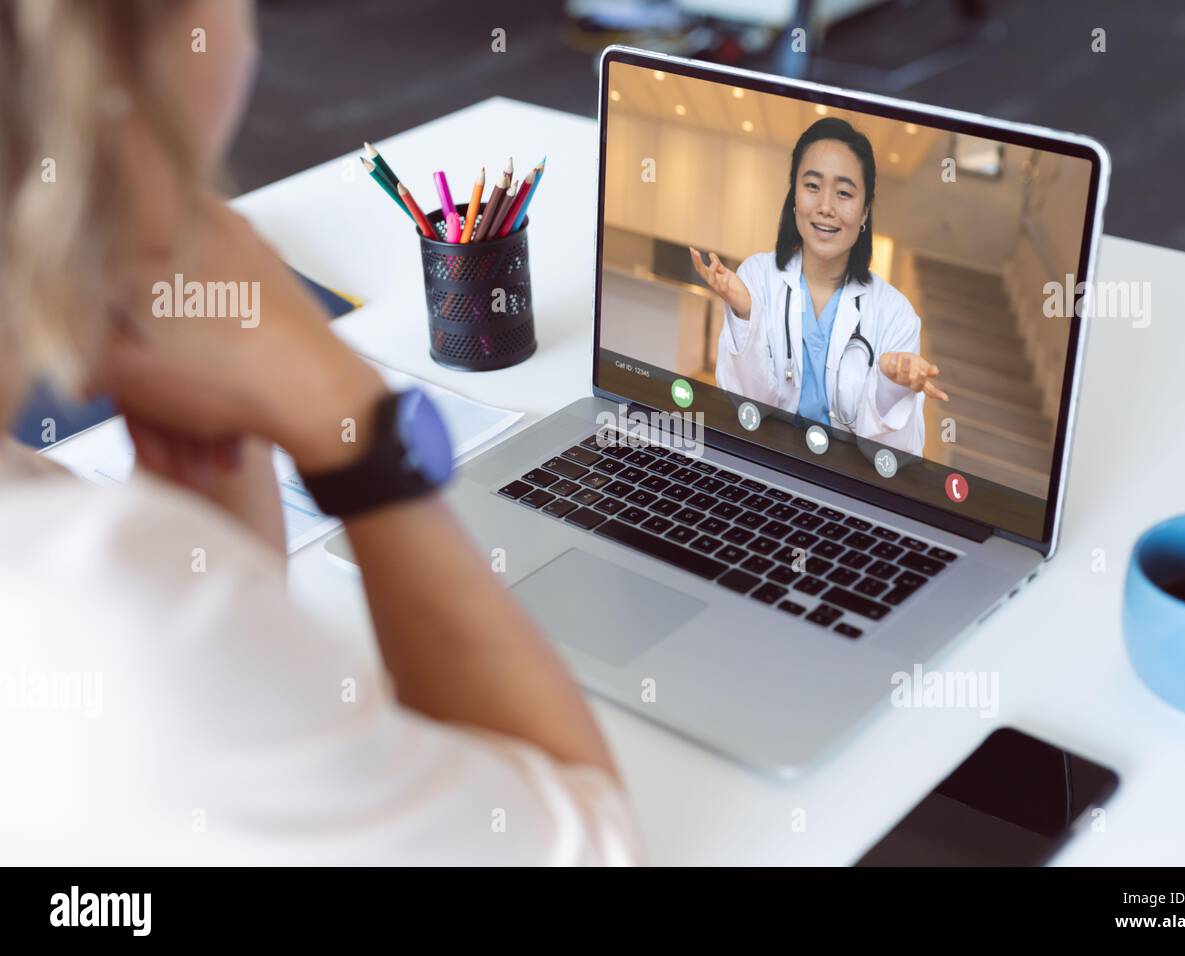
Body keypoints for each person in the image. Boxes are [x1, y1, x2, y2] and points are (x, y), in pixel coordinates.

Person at [0, 0, 640, 864]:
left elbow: (232, 719)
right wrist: (355, 429)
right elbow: (592, 843)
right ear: (119, 71)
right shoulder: (114, 618)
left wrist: (212, 501)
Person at [692, 117, 947, 455]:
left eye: (844, 193)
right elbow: (745, 410)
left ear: (865, 211)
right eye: (812, 186)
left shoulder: (895, 314)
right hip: (762, 460)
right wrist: (745, 313)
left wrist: (889, 386)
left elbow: (894, 459)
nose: (826, 207)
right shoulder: (757, 275)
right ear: (794, 197)